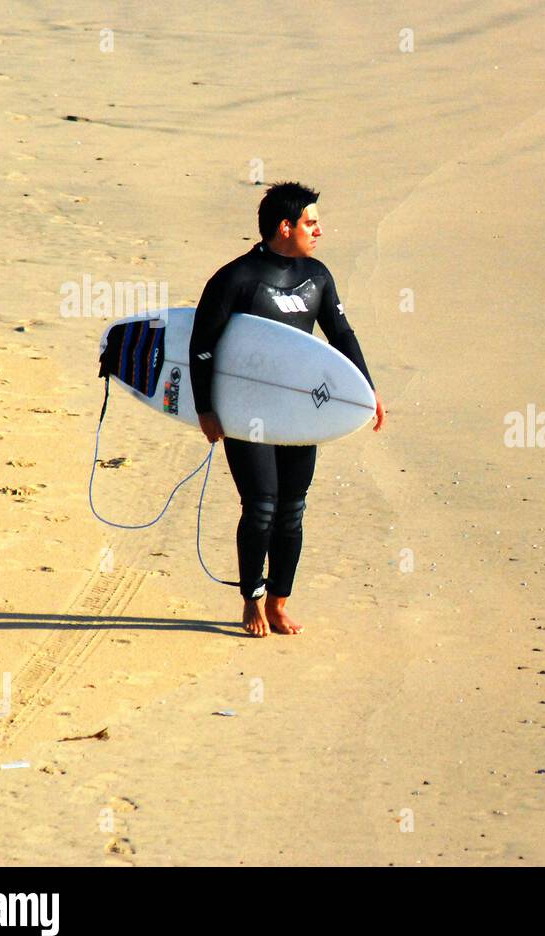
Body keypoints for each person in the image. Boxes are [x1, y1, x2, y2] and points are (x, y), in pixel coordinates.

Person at [189, 181, 384, 636]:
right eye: (311, 223)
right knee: (260, 507)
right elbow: (202, 347)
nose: (319, 231)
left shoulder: (317, 276)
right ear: (285, 226)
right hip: (248, 412)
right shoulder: (235, 278)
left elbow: (341, 335)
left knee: (292, 508)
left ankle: (279, 601)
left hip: (299, 412)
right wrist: (206, 409)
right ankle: (252, 599)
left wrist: (366, 392)